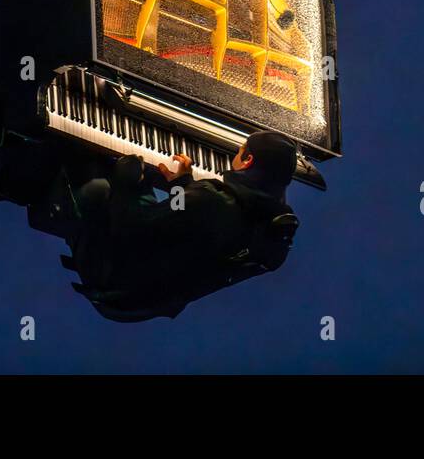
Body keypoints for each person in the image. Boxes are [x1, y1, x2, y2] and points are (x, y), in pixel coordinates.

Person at [68, 131, 301, 319]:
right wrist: (182, 186)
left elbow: (130, 228)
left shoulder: (209, 200)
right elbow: (192, 222)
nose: (237, 154)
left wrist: (125, 179)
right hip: (159, 299)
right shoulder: (276, 232)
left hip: (115, 284)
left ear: (248, 160)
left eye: (240, 151)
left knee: (96, 177)